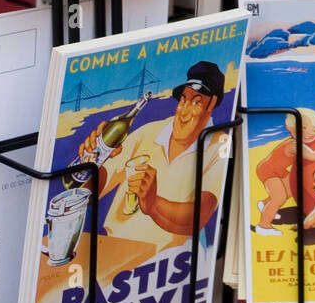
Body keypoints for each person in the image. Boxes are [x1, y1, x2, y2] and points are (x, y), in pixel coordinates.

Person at [77, 61, 230, 251]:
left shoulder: (219, 145)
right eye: (183, 100)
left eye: (196, 102)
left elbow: (197, 216)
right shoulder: (148, 132)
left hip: (171, 263)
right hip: (116, 252)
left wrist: (153, 203)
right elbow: (92, 190)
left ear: (212, 103)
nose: (183, 112)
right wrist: (91, 162)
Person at [254, 109, 315, 236]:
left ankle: (265, 204)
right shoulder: (294, 145)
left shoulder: (301, 139)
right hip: (268, 171)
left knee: (290, 190)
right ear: (289, 128)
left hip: (279, 171)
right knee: (279, 197)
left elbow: (311, 135)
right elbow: (313, 156)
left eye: (313, 129)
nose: (308, 132)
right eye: (303, 127)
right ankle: (264, 226)